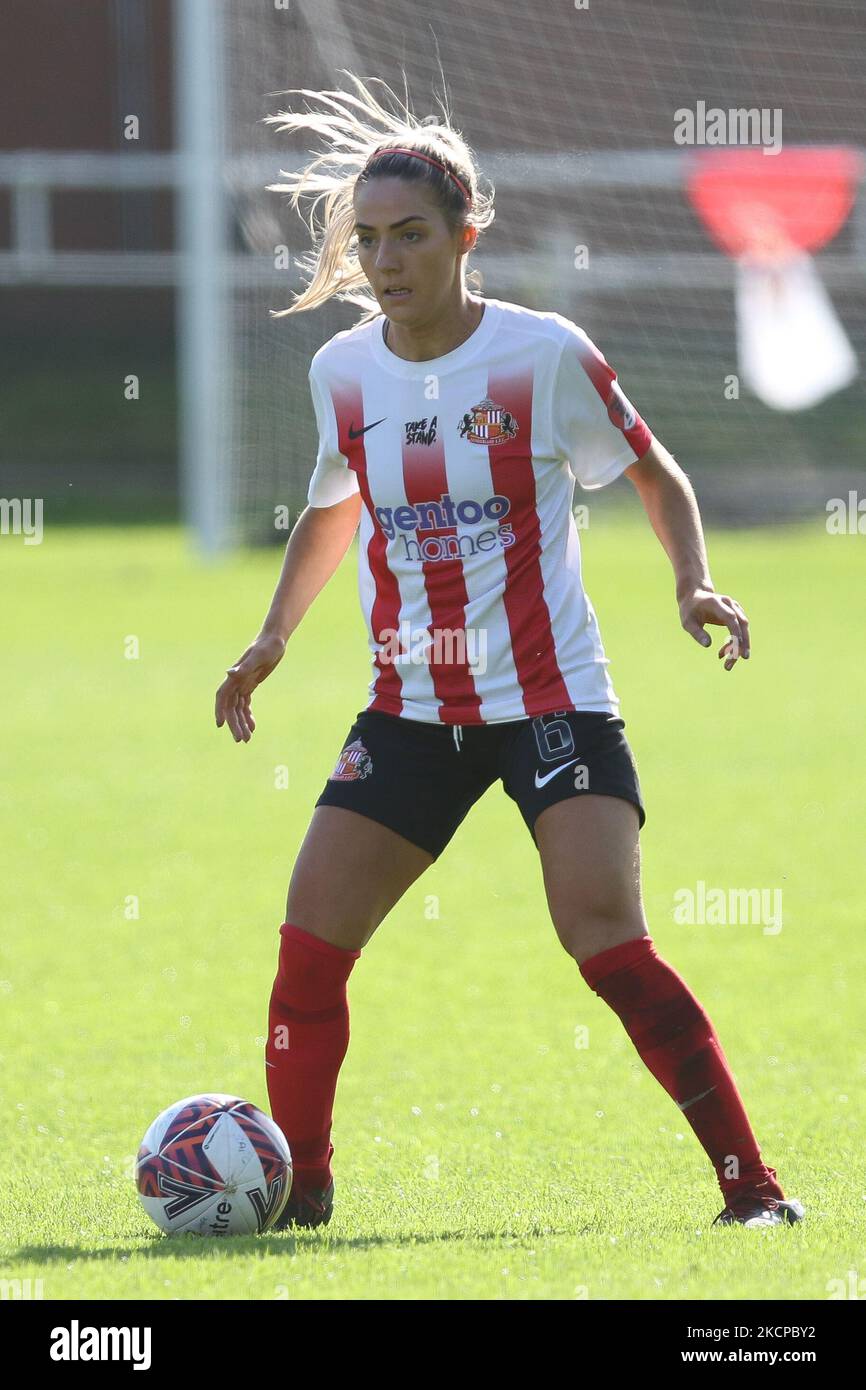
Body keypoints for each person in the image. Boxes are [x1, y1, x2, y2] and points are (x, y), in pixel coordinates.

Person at [215, 73, 804, 1232]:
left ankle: (752, 1191)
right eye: (367, 239)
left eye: (410, 236)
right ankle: (302, 1195)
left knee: (605, 943)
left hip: (551, 705)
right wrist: (273, 635)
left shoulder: (540, 357)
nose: (385, 260)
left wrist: (689, 580)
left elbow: (652, 467)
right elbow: (334, 503)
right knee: (307, 951)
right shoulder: (343, 374)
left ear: (463, 236)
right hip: (407, 712)